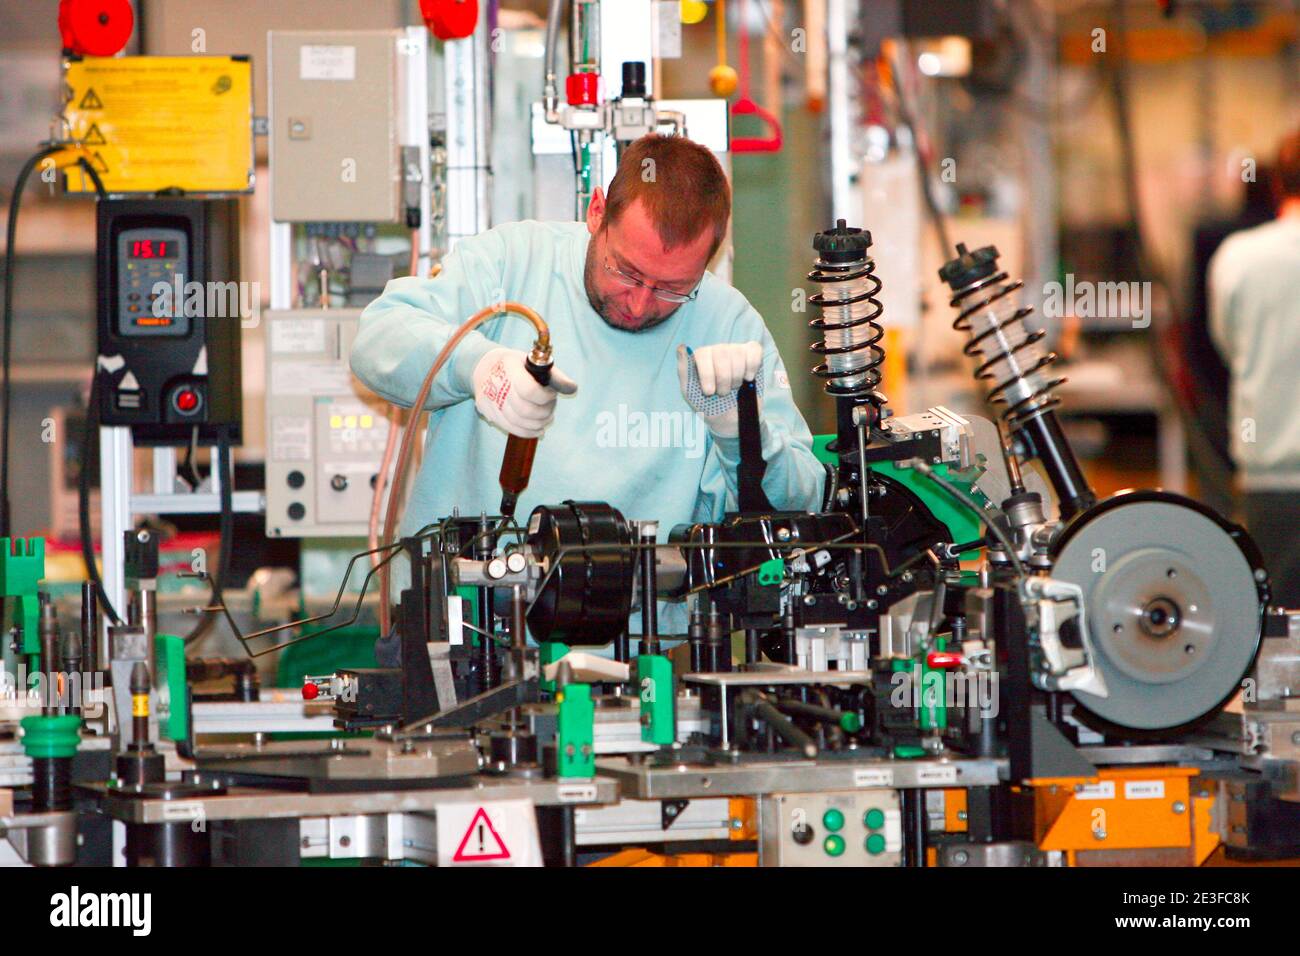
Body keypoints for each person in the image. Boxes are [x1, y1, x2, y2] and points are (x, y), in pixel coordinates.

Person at [351, 134, 826, 632]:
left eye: (672, 288)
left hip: (638, 666)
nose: (640, 304)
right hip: (462, 641)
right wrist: (477, 367)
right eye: (626, 271)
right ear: (596, 212)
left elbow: (802, 504)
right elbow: (378, 337)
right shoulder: (513, 263)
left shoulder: (728, 325)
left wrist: (742, 433)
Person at [1208, 128, 1300, 608]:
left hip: (1271, 478)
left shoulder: (1239, 257)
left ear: (1277, 184)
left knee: (1276, 627)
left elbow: (1230, 346)